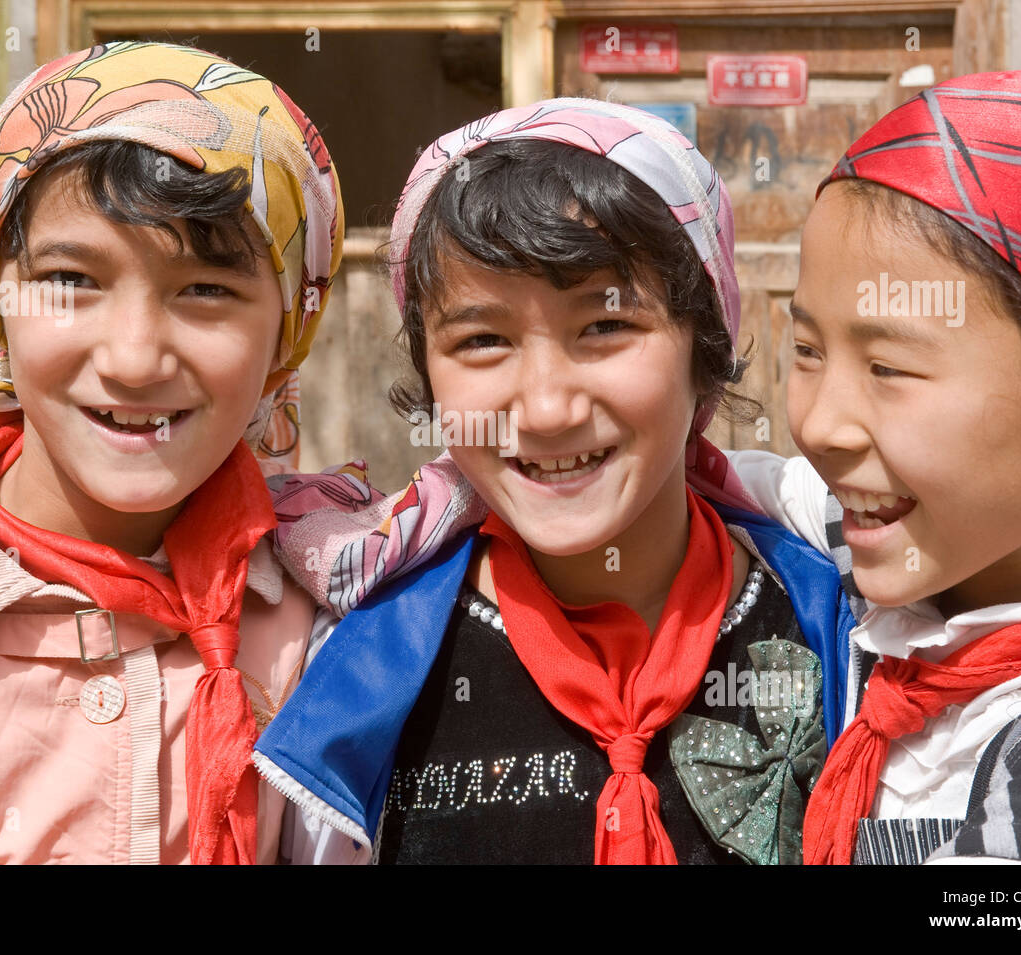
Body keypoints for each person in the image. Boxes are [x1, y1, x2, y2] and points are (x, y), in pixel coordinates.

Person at [253, 99, 856, 865]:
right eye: (482, 340)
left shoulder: (848, 628)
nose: (544, 408)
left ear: (704, 347)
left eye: (604, 326)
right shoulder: (357, 680)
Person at [0, 40, 343, 864]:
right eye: (70, 282)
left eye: (205, 289)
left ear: (287, 332)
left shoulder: (327, 603)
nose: (134, 357)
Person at [721, 68, 1021, 864]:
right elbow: (734, 478)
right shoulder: (895, 533)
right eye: (806, 350)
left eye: (890, 370)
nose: (820, 425)